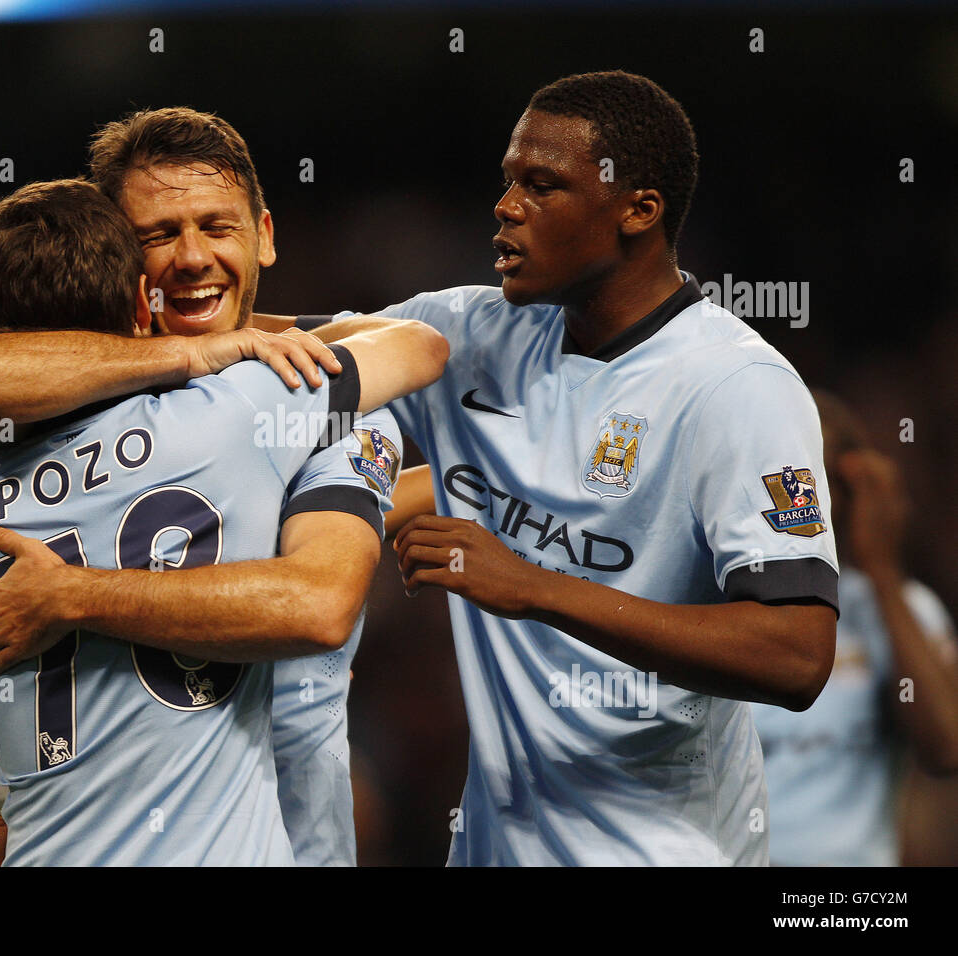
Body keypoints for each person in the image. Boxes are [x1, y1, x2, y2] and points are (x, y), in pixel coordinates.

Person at [0, 108, 405, 865]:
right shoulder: (292, 403)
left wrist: (10, 276)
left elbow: (323, 591)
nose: (193, 256)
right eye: (158, 236)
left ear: (265, 233)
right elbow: (414, 345)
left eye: (217, 226)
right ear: (129, 272)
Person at [304, 69, 838, 865]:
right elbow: (277, 353)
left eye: (543, 185)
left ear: (638, 209)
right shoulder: (474, 334)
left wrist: (532, 587)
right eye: (509, 180)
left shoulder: (737, 389)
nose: (506, 205)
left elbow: (798, 655)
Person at [751, 390, 958, 865]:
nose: (795, 502)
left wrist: (883, 570)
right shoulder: (707, 598)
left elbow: (946, 747)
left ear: (852, 493)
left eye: (814, 479)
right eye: (776, 479)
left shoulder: (902, 608)